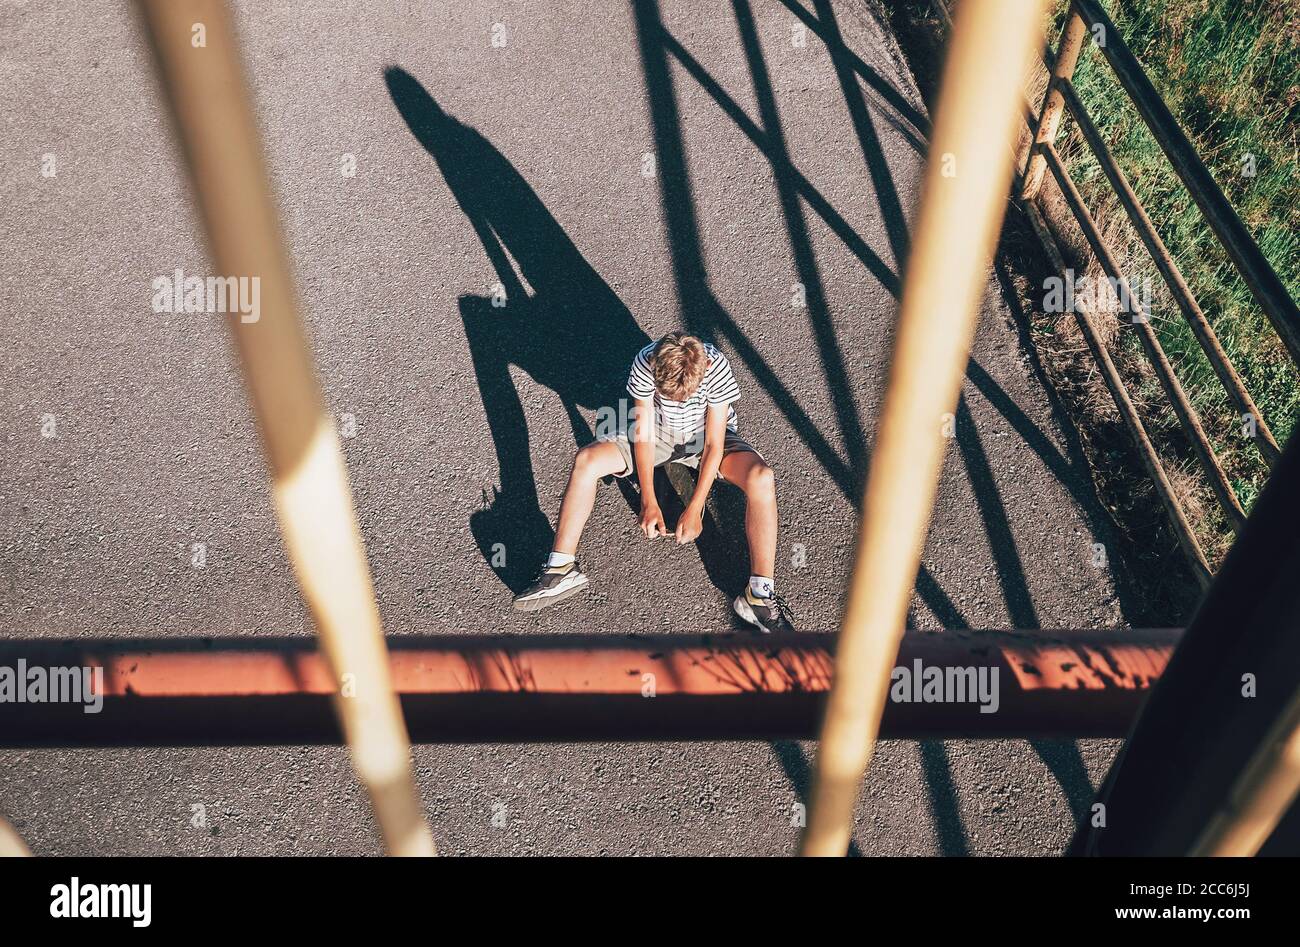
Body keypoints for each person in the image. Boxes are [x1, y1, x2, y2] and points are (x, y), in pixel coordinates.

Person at [513, 332, 794, 632]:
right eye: (670, 396)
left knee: (762, 478)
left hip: (705, 438)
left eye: (684, 396)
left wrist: (696, 508)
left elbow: (714, 443)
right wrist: (648, 500)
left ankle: (759, 595)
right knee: (587, 461)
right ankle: (560, 567)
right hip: (658, 435)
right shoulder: (645, 362)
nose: (679, 403)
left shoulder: (717, 368)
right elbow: (644, 434)